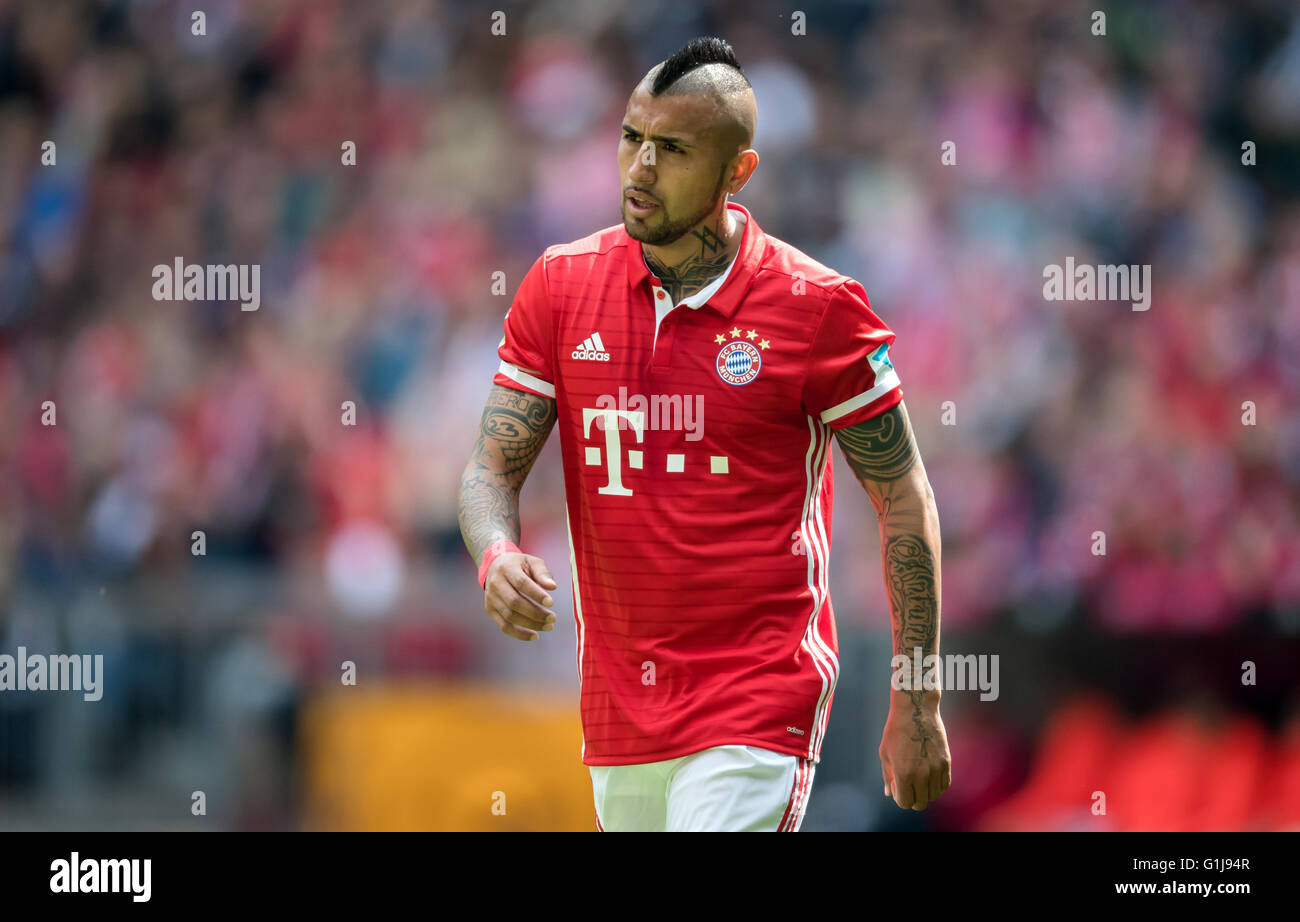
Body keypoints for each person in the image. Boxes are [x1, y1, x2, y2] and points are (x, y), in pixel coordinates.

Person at [457, 36, 950, 831]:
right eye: (631, 138)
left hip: (757, 697)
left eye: (673, 149)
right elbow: (490, 469)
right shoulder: (559, 285)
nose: (641, 167)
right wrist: (497, 553)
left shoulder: (816, 307)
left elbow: (905, 497)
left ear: (737, 172)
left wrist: (918, 695)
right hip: (618, 709)